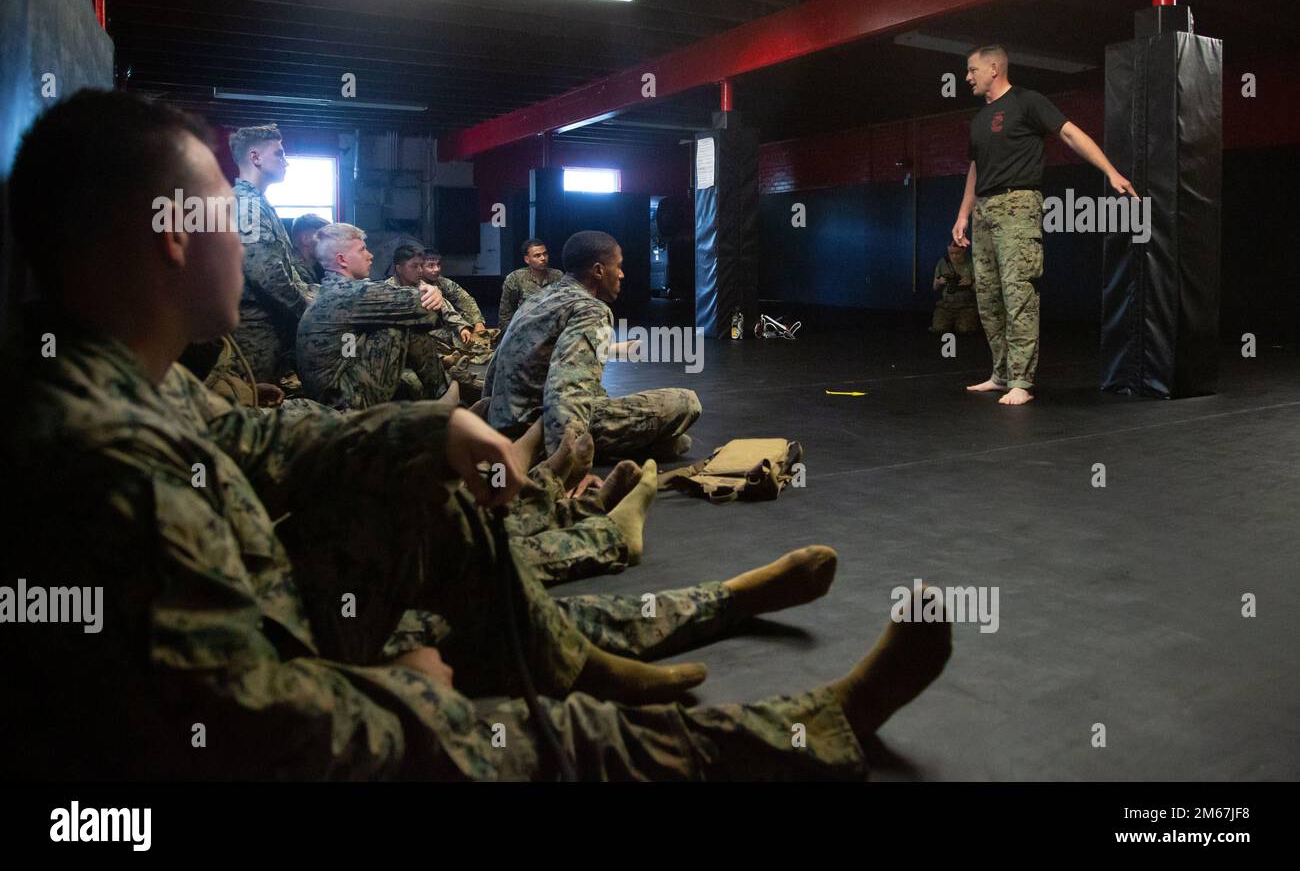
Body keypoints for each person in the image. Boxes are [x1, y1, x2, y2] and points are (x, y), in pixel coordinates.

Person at [2, 90, 954, 782]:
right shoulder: (107, 473)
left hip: (276, 615)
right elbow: (259, 737)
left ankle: (594, 651)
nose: (252, 245)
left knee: (433, 492)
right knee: (526, 742)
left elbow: (257, 438)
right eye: (228, 216)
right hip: (276, 725)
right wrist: (416, 692)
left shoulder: (126, 377)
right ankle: (803, 727)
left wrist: (427, 427)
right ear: (172, 235)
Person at [952, 45, 1136, 405]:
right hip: (984, 211)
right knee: (988, 296)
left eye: (972, 70)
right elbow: (975, 169)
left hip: (1018, 204)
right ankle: (1001, 373)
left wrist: (1110, 171)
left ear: (994, 67)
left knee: (1018, 291)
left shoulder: (1027, 101)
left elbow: (1070, 134)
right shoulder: (979, 119)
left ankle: (1022, 380)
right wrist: (962, 214)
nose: (967, 77)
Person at [484, 229, 700, 461]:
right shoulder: (590, 309)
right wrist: (571, 461)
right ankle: (553, 449)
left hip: (503, 423)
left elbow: (495, 366)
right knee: (686, 402)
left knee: (678, 444)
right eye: (618, 266)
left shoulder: (540, 298)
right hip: (538, 426)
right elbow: (568, 385)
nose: (622, 274)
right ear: (598, 271)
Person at [296, 223, 456, 409]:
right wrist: (433, 290)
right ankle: (443, 395)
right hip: (345, 402)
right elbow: (425, 308)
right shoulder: (351, 293)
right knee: (400, 322)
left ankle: (440, 394)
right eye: (362, 249)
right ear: (342, 260)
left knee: (396, 317)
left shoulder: (332, 289)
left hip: (333, 392)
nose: (370, 255)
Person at [228, 123, 316, 383]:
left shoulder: (260, 204)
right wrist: (309, 312)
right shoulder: (246, 206)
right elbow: (267, 276)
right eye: (279, 154)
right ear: (255, 158)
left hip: (271, 333)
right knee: (251, 410)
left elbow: (287, 270)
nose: (285, 162)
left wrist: (312, 296)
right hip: (254, 338)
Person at [497, 238, 562, 334]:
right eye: (537, 256)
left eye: (545, 254)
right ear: (527, 259)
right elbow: (505, 314)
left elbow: (564, 306)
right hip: (524, 331)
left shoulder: (557, 276)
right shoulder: (515, 278)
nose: (543, 258)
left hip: (551, 331)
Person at [423, 251, 486, 334]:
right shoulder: (417, 285)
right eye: (431, 265)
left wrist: (478, 322)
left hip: (445, 320)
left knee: (470, 319)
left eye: (438, 264)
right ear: (420, 267)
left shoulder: (442, 282)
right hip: (425, 327)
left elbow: (464, 299)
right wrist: (461, 327)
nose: (437, 269)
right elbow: (444, 309)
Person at [930, 243, 979, 335]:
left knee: (965, 330)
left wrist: (970, 283)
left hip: (966, 304)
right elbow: (935, 287)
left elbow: (980, 291)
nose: (954, 256)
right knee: (939, 329)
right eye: (951, 253)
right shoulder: (943, 262)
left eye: (957, 253)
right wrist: (939, 282)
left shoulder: (971, 263)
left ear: (964, 250)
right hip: (947, 304)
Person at [289, 212, 328, 286]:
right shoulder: (294, 271)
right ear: (306, 239)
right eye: (324, 237)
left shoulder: (318, 266)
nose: (331, 243)